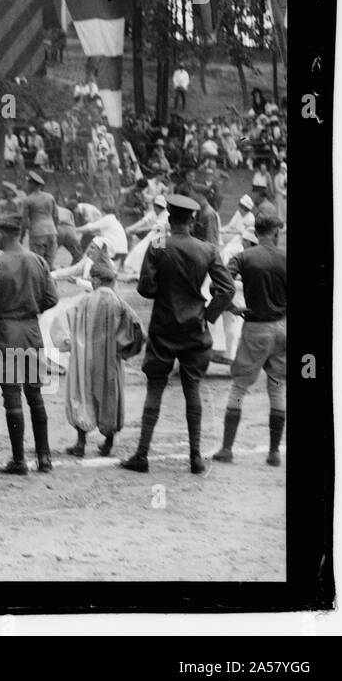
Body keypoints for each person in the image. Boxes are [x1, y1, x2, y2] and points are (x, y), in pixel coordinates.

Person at [120, 194, 236, 476]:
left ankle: (142, 454)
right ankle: (195, 457)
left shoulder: (159, 243)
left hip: (164, 324)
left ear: (170, 217)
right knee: (192, 389)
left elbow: (145, 289)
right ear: (193, 219)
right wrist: (208, 315)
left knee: (155, 388)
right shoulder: (207, 249)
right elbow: (228, 289)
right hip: (195, 326)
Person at [0, 213, 60, 475]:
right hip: (32, 333)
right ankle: (44, 458)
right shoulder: (38, 261)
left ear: (1, 235)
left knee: (11, 397)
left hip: (5, 334)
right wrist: (30, 308)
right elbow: (52, 298)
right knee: (35, 396)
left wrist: (1, 311)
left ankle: (18, 460)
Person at [48, 257, 144, 458]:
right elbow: (137, 331)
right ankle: (108, 444)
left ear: (97, 281)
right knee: (110, 397)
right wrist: (123, 350)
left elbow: (60, 322)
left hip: (84, 359)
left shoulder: (83, 302)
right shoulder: (120, 303)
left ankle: (81, 443)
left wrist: (68, 344)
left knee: (82, 395)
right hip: (110, 360)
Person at [213, 213, 287, 466]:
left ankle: (226, 449)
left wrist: (231, 307)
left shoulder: (244, 257)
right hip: (282, 328)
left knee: (239, 387)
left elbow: (220, 284)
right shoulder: (286, 257)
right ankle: (274, 452)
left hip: (255, 328)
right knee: (277, 388)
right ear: (276, 233)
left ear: (255, 233)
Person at [21, 171, 59, 268]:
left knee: (38, 264)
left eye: (28, 183)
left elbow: (24, 221)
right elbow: (56, 216)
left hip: (37, 233)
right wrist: (55, 230)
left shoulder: (28, 200)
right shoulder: (50, 197)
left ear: (32, 185)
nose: (27, 186)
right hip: (51, 232)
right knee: (50, 264)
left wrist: (21, 237)